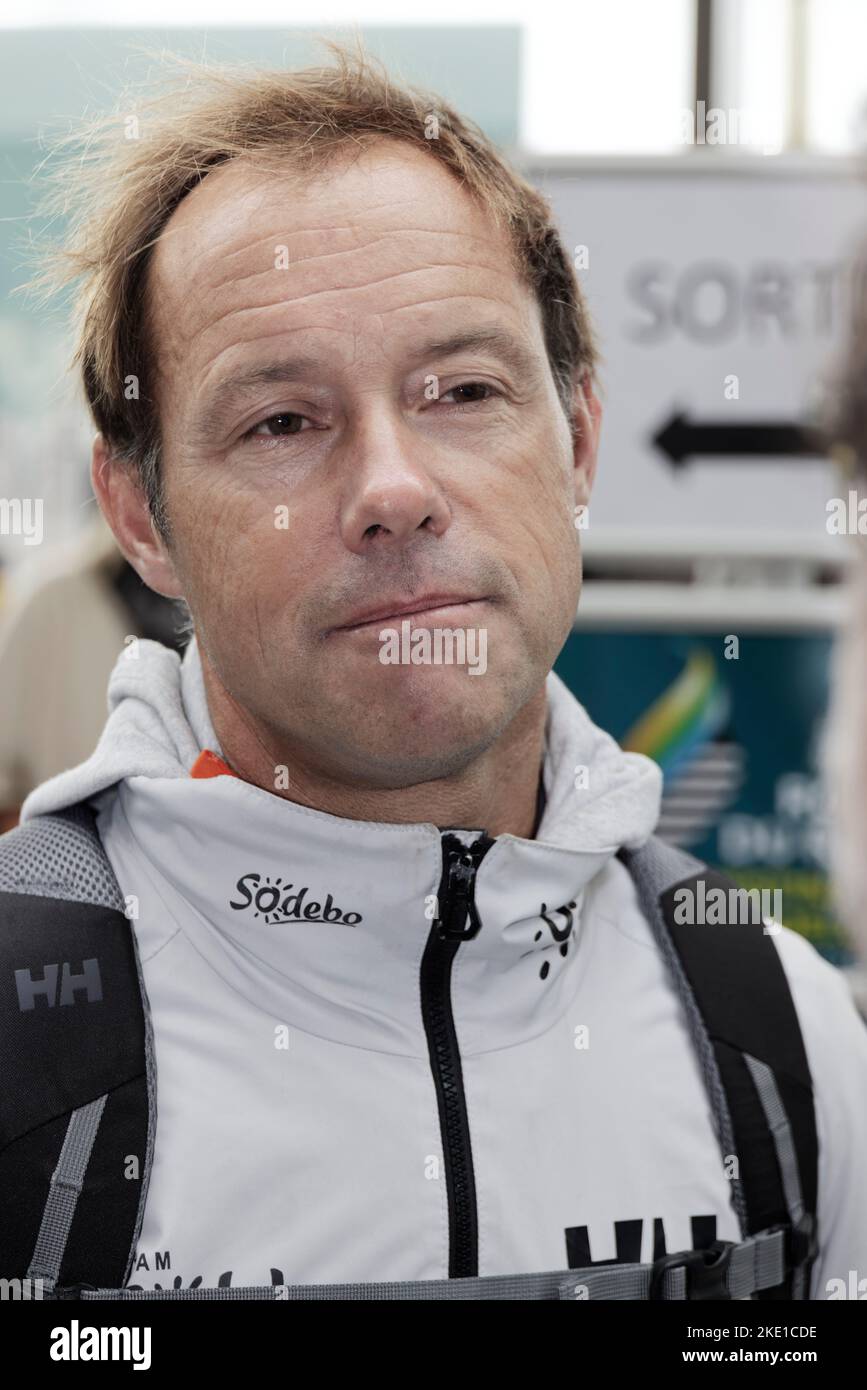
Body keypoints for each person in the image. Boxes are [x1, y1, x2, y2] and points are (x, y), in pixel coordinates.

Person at [2, 42, 866, 1302]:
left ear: (577, 439)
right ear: (140, 513)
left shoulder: (785, 1036)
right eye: (282, 422)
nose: (395, 490)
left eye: (463, 389)